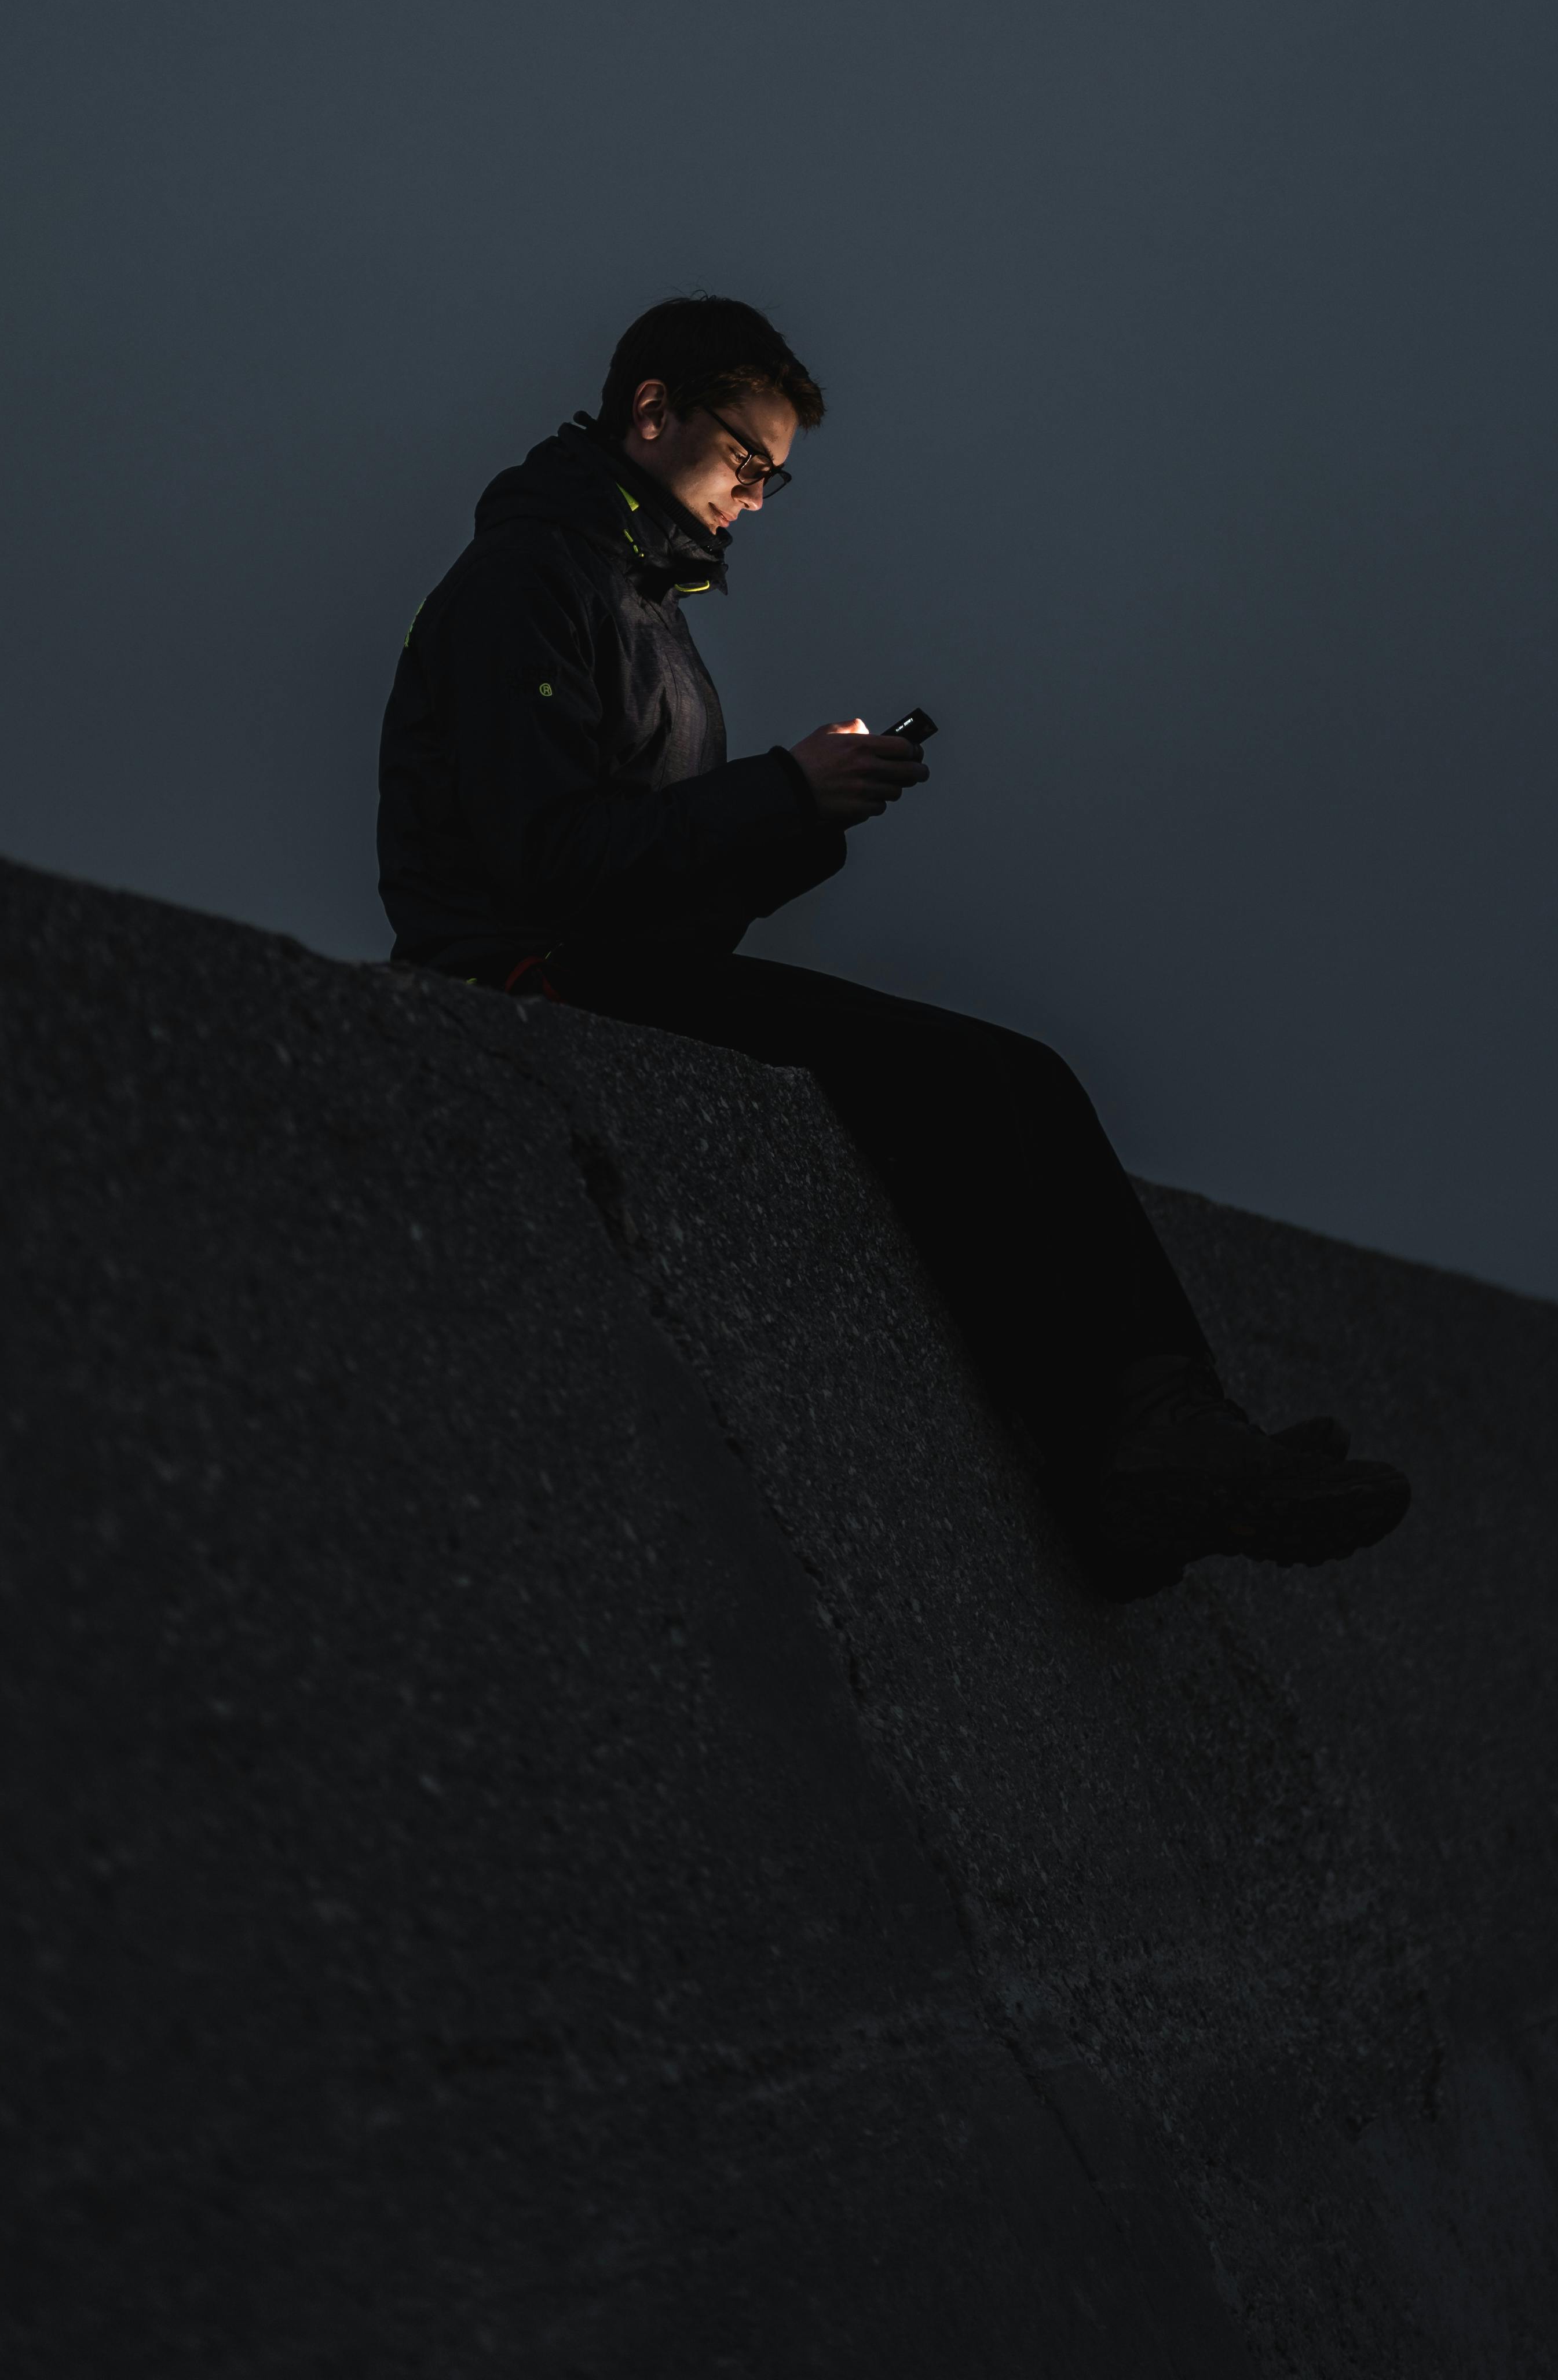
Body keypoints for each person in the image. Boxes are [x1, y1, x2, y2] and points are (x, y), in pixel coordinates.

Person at [378, 294, 1410, 1596]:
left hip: (611, 970)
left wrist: (805, 817)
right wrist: (781, 796)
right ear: (650, 413)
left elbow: (667, 906)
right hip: (525, 979)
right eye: (746, 462)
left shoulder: (644, 612)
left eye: (774, 480)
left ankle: (1166, 1421)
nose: (756, 498)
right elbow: (548, 866)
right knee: (964, 1084)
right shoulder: (528, 581)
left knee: (1022, 1077)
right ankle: (1124, 1458)